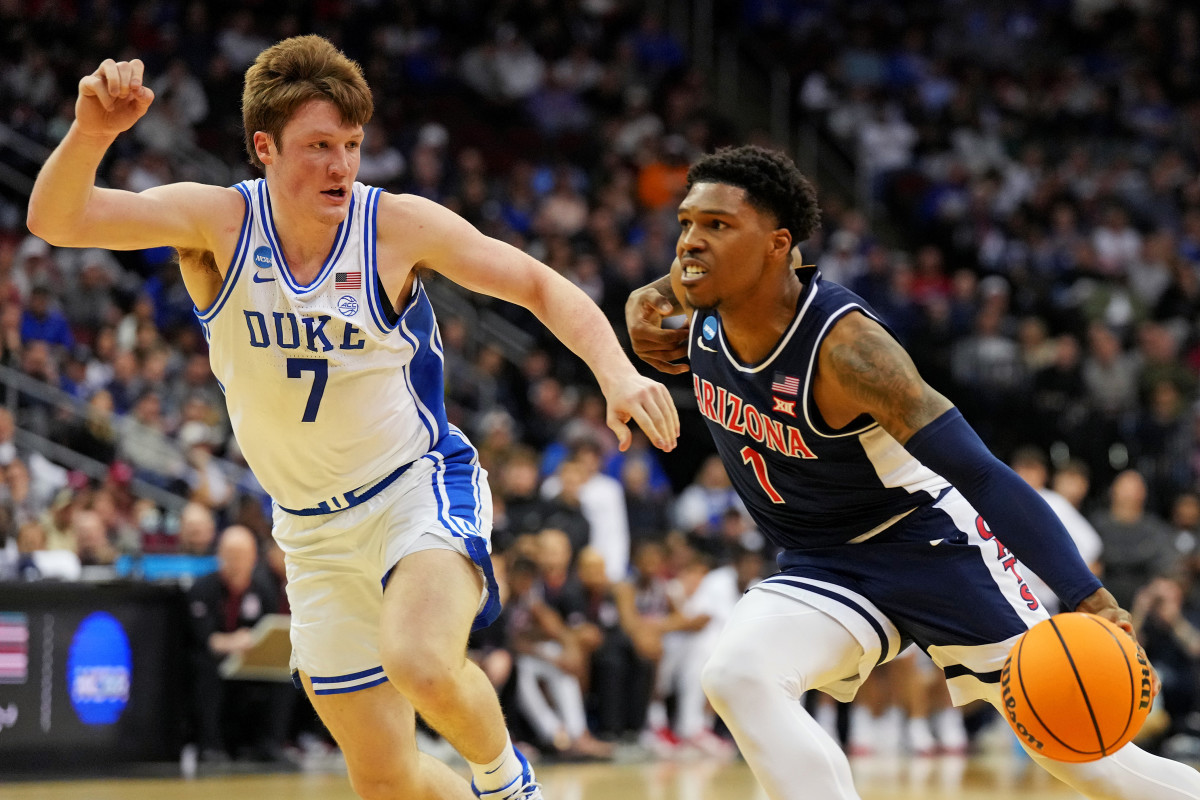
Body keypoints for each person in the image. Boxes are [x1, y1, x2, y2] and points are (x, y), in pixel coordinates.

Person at [29, 36, 679, 800]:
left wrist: (616, 372)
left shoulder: (394, 227)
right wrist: (94, 133)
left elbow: (537, 284)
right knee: (387, 782)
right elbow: (57, 219)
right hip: (309, 530)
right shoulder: (216, 225)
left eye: (352, 145)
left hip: (415, 485)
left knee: (422, 662)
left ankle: (508, 783)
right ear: (264, 148)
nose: (342, 165)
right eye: (319, 147)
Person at [624, 144, 1200, 799]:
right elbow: (666, 287)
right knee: (737, 674)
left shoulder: (850, 353)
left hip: (929, 545)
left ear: (777, 245)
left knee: (1082, 756)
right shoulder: (694, 303)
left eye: (717, 226)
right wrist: (643, 298)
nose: (691, 243)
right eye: (686, 223)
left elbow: (981, 475)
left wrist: (1087, 594)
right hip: (822, 561)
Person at [186, 524, 291, 764]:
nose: (237, 562)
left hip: (250, 658)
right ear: (220, 555)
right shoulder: (203, 589)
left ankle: (270, 744)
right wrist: (233, 642)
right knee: (206, 671)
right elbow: (206, 639)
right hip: (216, 659)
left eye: (242, 556)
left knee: (284, 674)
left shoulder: (262, 589)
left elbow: (267, 627)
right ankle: (210, 746)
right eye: (231, 555)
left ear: (254, 558)